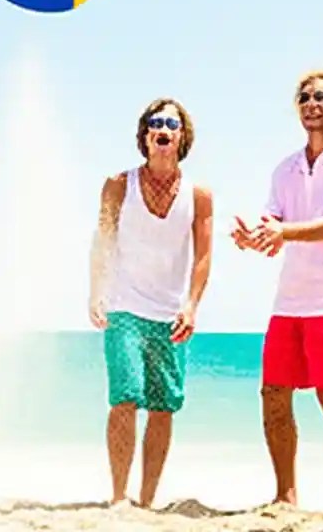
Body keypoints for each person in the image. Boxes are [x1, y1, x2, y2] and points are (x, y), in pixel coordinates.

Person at [230, 70, 323, 509]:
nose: (312, 104)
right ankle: (285, 495)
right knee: (273, 393)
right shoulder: (284, 169)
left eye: (322, 98)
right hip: (289, 301)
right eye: (305, 98)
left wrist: (283, 233)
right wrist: (254, 237)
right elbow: (274, 229)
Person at [88, 97, 214, 509]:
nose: (163, 130)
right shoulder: (118, 184)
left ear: (182, 137)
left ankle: (146, 502)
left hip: (170, 313)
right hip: (124, 306)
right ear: (144, 136)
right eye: (155, 124)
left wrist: (192, 305)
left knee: (163, 406)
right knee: (124, 397)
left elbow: (203, 256)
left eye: (171, 125)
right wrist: (95, 290)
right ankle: (117, 497)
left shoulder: (199, 195)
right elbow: (102, 238)